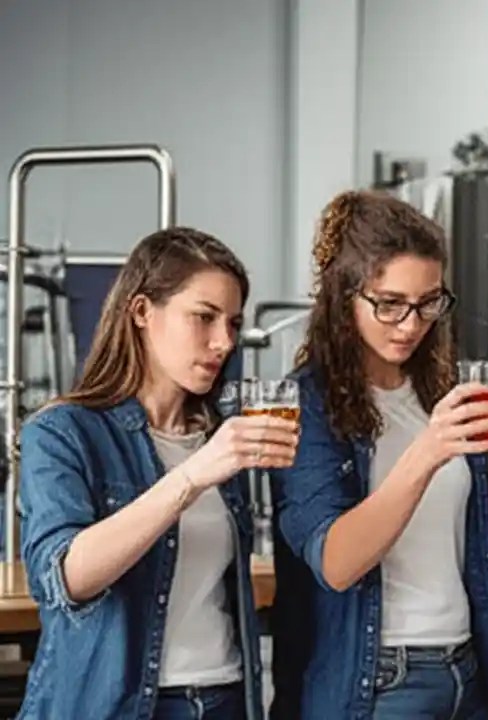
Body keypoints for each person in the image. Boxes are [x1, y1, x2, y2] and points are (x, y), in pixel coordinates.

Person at [17, 228, 292, 719]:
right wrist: (191, 477)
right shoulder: (62, 432)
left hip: (224, 699)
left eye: (232, 323)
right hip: (113, 707)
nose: (224, 341)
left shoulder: (220, 434)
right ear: (142, 311)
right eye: (203, 317)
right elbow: (66, 579)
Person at [271, 190, 488, 719]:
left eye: (429, 302)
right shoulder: (307, 402)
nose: (411, 323)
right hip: (379, 681)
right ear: (345, 297)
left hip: (466, 668)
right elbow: (336, 563)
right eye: (390, 303)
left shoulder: (440, 391)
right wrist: (427, 452)